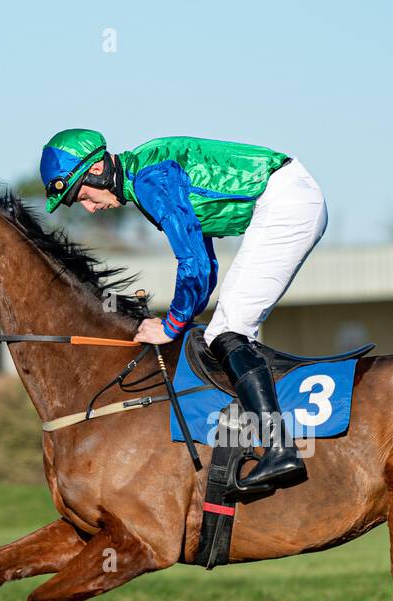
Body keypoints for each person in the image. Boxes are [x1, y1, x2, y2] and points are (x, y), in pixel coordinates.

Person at [38, 129, 327, 492]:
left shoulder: (150, 180)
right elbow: (204, 262)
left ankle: (279, 448)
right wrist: (181, 318)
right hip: (289, 197)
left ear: (97, 167)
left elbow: (193, 263)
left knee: (227, 332)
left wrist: (171, 325)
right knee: (221, 330)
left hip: (287, 203)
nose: (89, 207)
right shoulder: (146, 176)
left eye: (82, 194)